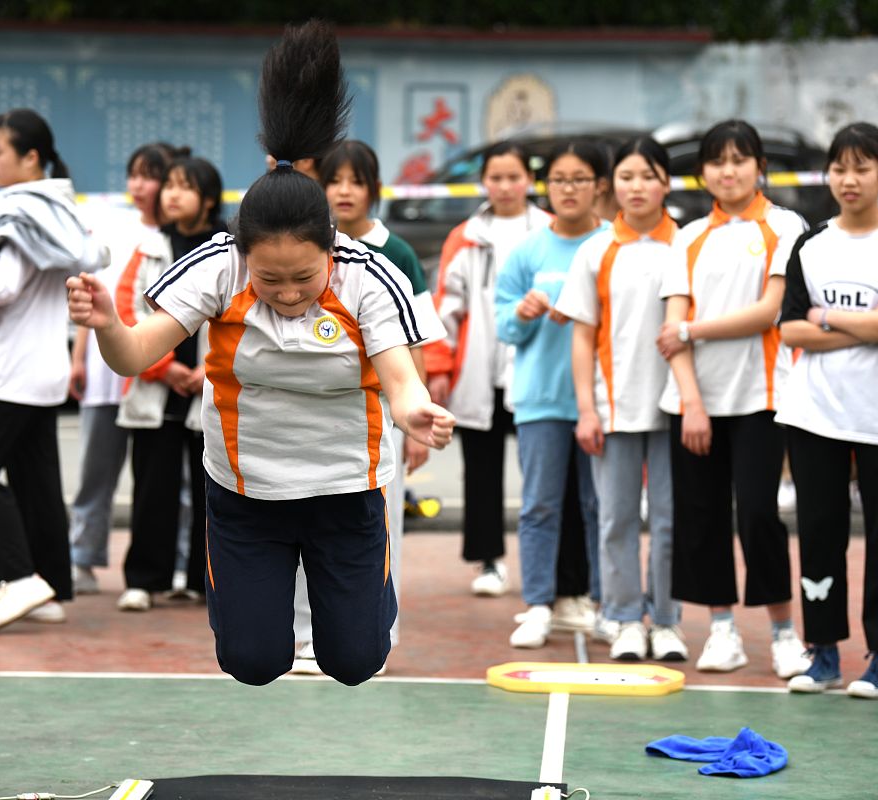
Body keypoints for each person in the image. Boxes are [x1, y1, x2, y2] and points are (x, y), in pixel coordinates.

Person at [67, 21, 454, 687]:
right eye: (270, 280)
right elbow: (133, 357)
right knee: (252, 663)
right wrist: (106, 323)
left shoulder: (368, 275)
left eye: (305, 278)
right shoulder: (216, 266)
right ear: (245, 255)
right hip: (247, 493)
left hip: (346, 491)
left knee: (356, 661)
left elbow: (399, 376)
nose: (289, 293)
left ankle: (364, 595)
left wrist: (417, 411)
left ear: (331, 251)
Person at [777, 122, 878, 697]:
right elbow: (790, 326)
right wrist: (861, 326)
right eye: (839, 168)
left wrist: (825, 318)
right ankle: (822, 654)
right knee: (819, 533)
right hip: (813, 411)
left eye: (862, 168)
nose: (849, 179)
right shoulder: (810, 243)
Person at [655, 119, 810, 678]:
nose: (729, 170)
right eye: (717, 161)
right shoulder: (687, 236)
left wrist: (695, 331)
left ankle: (784, 632)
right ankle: (721, 629)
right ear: (702, 173)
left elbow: (770, 310)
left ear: (759, 166)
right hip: (696, 403)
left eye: (740, 159)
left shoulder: (785, 225)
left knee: (761, 514)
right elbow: (669, 328)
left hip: (763, 398)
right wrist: (692, 403)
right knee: (702, 516)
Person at [0, 108, 108, 633]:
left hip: (9, 371)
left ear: (31, 157)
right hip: (42, 367)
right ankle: (48, 588)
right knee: (35, 481)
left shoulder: (20, 212)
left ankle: (19, 580)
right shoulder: (58, 209)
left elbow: (0, 286)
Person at [287, 139, 438, 674]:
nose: (345, 191)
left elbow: (416, 343)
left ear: (374, 189)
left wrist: (417, 417)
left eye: (357, 181)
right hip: (314, 421)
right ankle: (305, 639)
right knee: (304, 530)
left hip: (380, 419)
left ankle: (377, 636)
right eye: (335, 180)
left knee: (377, 532)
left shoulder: (395, 253)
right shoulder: (300, 248)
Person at [557, 136, 686, 661]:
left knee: (671, 519)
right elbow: (583, 334)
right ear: (614, 185)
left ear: (666, 184)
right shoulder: (595, 250)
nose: (638, 187)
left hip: (676, 407)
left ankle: (669, 619)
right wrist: (587, 409)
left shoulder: (689, 243)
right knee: (615, 520)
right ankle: (626, 616)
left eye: (648, 176)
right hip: (613, 410)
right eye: (628, 177)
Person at [494, 140, 608, 649]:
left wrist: (584, 312)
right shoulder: (529, 250)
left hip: (603, 400)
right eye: (559, 179)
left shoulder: (611, 245)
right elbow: (501, 322)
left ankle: (607, 605)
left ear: (599, 186)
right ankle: (538, 605)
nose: (568, 189)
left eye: (579, 178)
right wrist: (522, 312)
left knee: (600, 506)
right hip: (540, 396)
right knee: (539, 505)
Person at [426, 141, 550, 596]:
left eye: (513, 177)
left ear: (530, 181)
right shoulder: (466, 235)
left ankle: (546, 564)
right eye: (495, 177)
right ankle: (488, 561)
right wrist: (439, 365)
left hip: (535, 369)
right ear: (484, 182)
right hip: (478, 370)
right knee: (481, 469)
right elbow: (446, 308)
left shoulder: (549, 231)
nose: (504, 186)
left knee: (543, 470)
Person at [113, 154, 223, 612]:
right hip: (156, 391)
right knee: (150, 490)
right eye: (170, 185)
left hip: (209, 393)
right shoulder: (152, 246)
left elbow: (236, 316)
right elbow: (125, 311)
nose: (171, 193)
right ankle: (144, 579)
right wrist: (164, 368)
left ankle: (205, 581)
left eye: (185, 186)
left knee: (211, 493)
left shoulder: (227, 250)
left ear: (210, 199)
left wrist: (210, 371)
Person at [68, 142, 176, 596]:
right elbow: (93, 301)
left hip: (155, 373)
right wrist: (77, 357)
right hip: (105, 369)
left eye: (149, 175)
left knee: (165, 481)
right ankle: (82, 556)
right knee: (97, 468)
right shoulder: (114, 228)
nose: (138, 185)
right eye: (133, 174)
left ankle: (179, 561)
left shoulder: (179, 239)